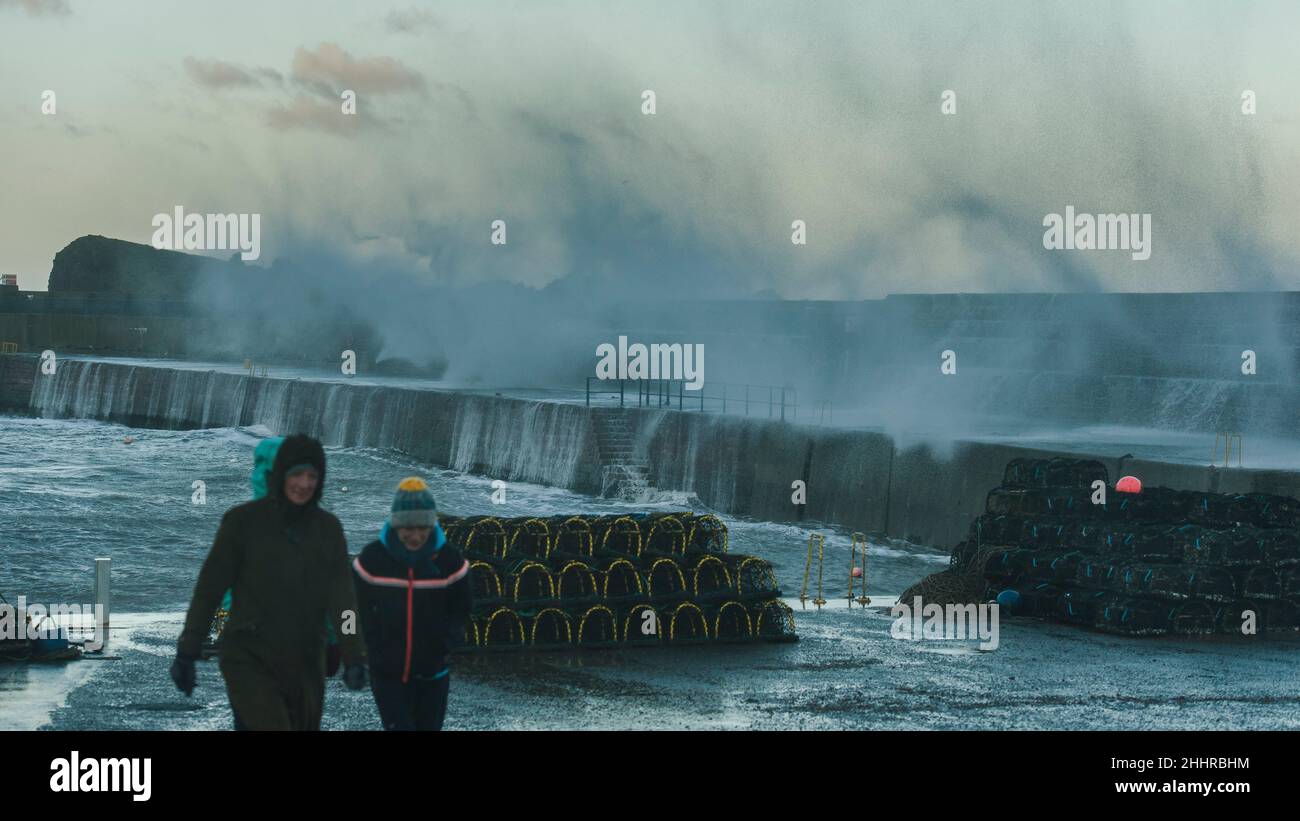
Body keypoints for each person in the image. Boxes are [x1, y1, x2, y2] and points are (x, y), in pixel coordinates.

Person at [170, 433, 367, 730]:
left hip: (306, 662)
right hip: (249, 656)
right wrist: (187, 649)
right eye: (296, 474)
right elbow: (209, 589)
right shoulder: (242, 523)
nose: (304, 484)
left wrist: (352, 653)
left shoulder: (328, 530)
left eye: (312, 475)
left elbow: (344, 600)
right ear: (280, 474)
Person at [352, 477, 472, 731]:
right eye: (408, 527)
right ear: (396, 524)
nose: (415, 536)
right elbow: (347, 609)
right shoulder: (371, 561)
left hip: (434, 675)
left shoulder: (451, 563)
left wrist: (447, 642)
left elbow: (461, 610)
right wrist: (357, 649)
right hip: (387, 676)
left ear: (431, 524)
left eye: (422, 527)